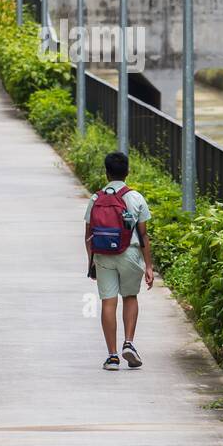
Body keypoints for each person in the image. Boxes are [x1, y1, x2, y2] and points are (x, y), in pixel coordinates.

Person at [84, 150, 153, 371]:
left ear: (106, 173)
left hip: (103, 255)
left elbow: (88, 235)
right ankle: (129, 344)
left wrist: (92, 262)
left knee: (108, 302)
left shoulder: (95, 198)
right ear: (127, 172)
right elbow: (144, 235)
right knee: (130, 296)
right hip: (130, 253)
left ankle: (112, 356)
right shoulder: (135, 197)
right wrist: (149, 265)